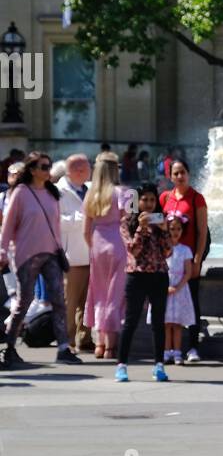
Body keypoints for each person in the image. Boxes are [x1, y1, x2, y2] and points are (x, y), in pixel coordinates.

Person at [0, 151, 80, 367]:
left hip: (51, 253)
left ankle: (64, 348)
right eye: (43, 167)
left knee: (58, 301)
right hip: (26, 254)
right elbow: (8, 225)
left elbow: (55, 225)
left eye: (49, 166)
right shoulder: (20, 192)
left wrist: (59, 249)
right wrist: (2, 251)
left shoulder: (51, 192)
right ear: (32, 169)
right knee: (23, 302)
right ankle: (10, 348)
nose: (48, 170)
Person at [116, 183, 172, 382]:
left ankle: (159, 365)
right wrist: (142, 228)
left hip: (159, 275)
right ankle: (121, 365)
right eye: (144, 200)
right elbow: (133, 250)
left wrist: (165, 230)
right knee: (131, 321)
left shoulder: (161, 221)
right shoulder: (127, 222)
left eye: (152, 200)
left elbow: (168, 251)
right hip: (137, 275)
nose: (148, 204)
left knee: (158, 322)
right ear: (137, 201)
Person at [159, 158, 208, 362]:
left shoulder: (197, 198)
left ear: (188, 174)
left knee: (192, 302)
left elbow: (202, 231)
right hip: (168, 260)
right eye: (176, 173)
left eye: (183, 172)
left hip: (187, 259)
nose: (180, 176)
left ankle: (193, 346)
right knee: (167, 305)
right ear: (170, 176)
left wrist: (197, 259)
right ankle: (168, 348)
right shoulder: (164, 198)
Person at [83, 152, 129, 359]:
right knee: (115, 296)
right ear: (115, 169)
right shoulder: (126, 193)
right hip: (119, 244)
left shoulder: (91, 194)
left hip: (97, 244)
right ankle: (111, 347)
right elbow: (132, 223)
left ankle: (99, 344)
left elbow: (86, 230)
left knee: (99, 294)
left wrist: (93, 246)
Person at [56, 153, 94, 354]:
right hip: (71, 257)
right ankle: (66, 342)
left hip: (90, 254)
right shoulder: (57, 192)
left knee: (87, 303)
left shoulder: (88, 189)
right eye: (87, 168)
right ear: (76, 171)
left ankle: (84, 338)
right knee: (69, 303)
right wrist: (83, 219)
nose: (90, 171)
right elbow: (57, 222)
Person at [160, 212, 196, 364]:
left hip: (180, 290)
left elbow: (188, 272)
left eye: (178, 229)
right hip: (165, 288)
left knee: (177, 324)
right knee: (166, 323)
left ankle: (177, 352)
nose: (175, 232)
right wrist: (165, 286)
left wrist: (178, 286)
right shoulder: (163, 249)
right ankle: (166, 351)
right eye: (172, 229)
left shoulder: (185, 250)